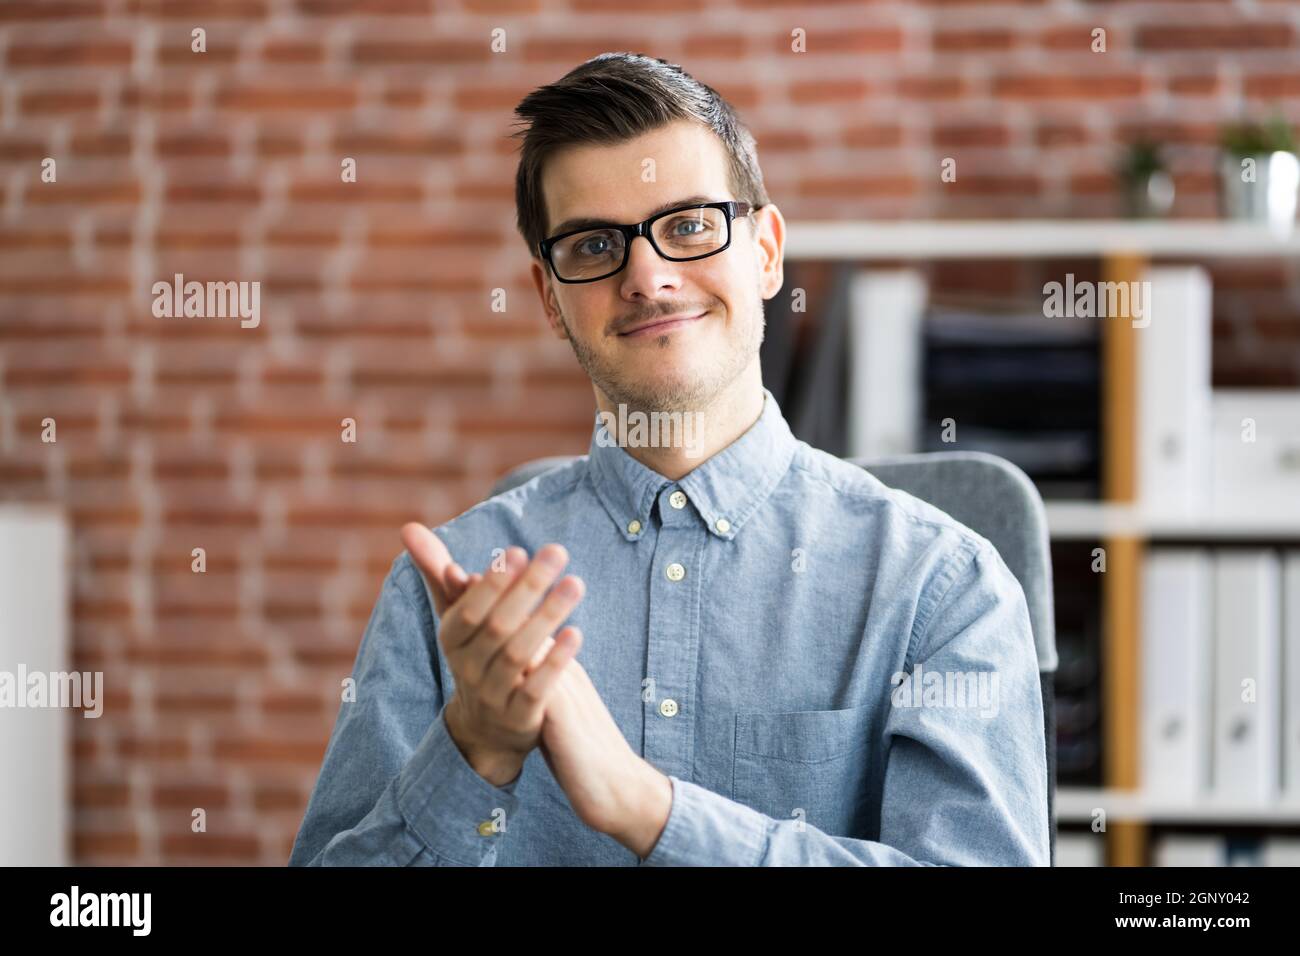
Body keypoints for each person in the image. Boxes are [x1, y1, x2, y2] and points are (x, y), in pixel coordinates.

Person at [289, 51, 1049, 867]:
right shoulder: (445, 599)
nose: (647, 278)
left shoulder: (945, 589)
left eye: (687, 226)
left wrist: (647, 808)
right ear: (550, 298)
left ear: (765, 252)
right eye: (591, 246)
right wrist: (473, 752)